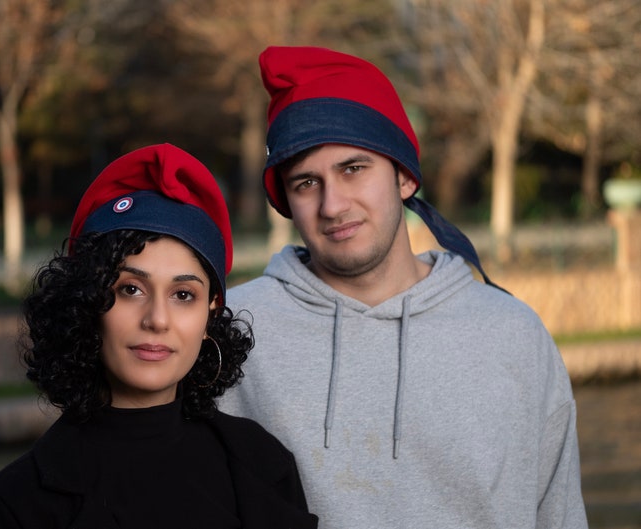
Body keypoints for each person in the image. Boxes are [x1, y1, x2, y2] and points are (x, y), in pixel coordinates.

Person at [220, 46, 588, 528]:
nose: (332, 205)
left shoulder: (513, 333)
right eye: (306, 183)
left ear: (405, 177)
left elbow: (558, 516)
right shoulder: (233, 332)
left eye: (353, 169)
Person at [0, 143, 318, 529]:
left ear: (211, 312)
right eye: (130, 289)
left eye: (183, 295)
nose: (157, 320)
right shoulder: (19, 501)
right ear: (86, 300)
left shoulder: (264, 464)